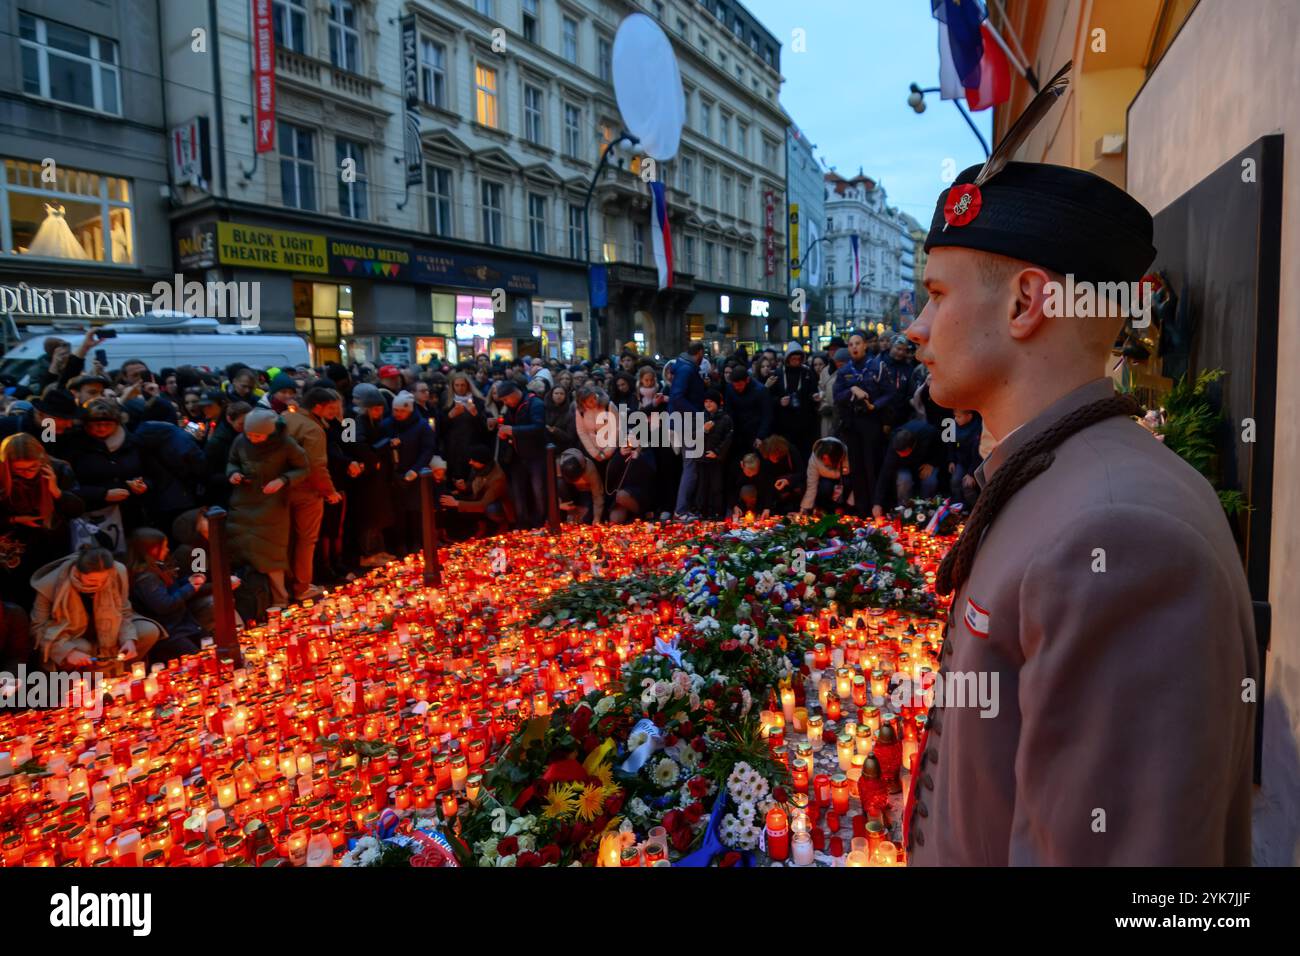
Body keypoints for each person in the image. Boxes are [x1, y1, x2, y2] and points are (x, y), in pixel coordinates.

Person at [903, 158, 1257, 865]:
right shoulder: (1059, 477)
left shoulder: (1116, 530)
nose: (917, 327)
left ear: (1025, 303)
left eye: (937, 295)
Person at [29, 545, 167, 670]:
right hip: (72, 635)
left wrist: (129, 639)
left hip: (110, 630)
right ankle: (93, 680)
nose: (99, 585)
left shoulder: (117, 572)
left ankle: (118, 673)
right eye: (92, 581)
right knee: (83, 648)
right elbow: (37, 627)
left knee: (148, 631)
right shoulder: (49, 584)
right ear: (77, 571)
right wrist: (67, 651)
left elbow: (124, 609)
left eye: (104, 580)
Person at [225, 408, 307, 606]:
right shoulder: (240, 441)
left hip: (272, 506)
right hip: (242, 504)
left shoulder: (286, 444)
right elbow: (232, 462)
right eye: (250, 435)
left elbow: (304, 468)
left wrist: (282, 480)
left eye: (258, 436)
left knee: (271, 556)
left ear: (270, 432)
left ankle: (280, 599)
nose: (253, 439)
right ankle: (254, 603)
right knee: (243, 552)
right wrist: (233, 474)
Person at [0, 433, 84, 609]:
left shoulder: (59, 469)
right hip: (14, 547)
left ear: (42, 460)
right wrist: (14, 519)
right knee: (18, 597)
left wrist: (56, 492)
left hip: (53, 542)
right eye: (20, 470)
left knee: (50, 596)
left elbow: (78, 509)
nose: (27, 474)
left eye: (32, 468)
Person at [65, 398, 152, 553]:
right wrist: (102, 494)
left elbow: (149, 473)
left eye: (107, 424)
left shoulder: (132, 443)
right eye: (96, 423)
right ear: (86, 423)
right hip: (91, 518)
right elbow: (68, 487)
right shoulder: (73, 445)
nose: (101, 428)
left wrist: (143, 484)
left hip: (129, 515)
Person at [282, 388, 343, 600]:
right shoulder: (312, 429)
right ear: (318, 406)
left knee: (287, 540)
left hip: (281, 487)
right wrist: (330, 491)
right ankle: (302, 586)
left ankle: (285, 587)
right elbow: (316, 466)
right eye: (331, 408)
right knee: (306, 540)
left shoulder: (285, 418)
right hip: (306, 491)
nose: (335, 412)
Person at [125, 527, 204, 659]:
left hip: (181, 624)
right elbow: (164, 605)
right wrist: (190, 588)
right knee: (198, 659)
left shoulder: (157, 566)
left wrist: (187, 581)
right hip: (170, 632)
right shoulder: (146, 578)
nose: (167, 550)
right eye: (164, 547)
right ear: (153, 550)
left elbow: (172, 588)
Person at [833, 331, 885, 517]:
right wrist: (852, 390)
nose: (854, 347)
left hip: (871, 420)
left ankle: (876, 507)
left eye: (857, 343)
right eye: (850, 344)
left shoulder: (877, 366)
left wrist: (875, 406)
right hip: (852, 422)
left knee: (872, 466)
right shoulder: (844, 371)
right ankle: (862, 510)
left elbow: (890, 393)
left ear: (865, 346)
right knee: (856, 467)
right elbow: (837, 397)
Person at [382, 390, 437, 555]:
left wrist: (416, 469)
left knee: (415, 511)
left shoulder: (421, 426)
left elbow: (427, 450)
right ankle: (399, 544)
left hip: (415, 475)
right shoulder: (387, 425)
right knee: (398, 512)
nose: (398, 414)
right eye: (396, 411)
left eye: (402, 411)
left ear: (410, 410)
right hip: (394, 476)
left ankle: (416, 543)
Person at [495, 381, 548, 529]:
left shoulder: (535, 403)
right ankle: (522, 524)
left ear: (513, 394)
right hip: (517, 457)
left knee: (539, 491)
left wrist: (512, 430)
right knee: (518, 492)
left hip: (536, 455)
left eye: (506, 399)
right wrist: (504, 433)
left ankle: (541, 524)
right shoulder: (509, 407)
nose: (505, 403)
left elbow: (538, 428)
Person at [439, 444, 512, 537]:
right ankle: (453, 533)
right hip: (477, 499)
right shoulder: (478, 468)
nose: (470, 462)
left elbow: (483, 505)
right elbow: (473, 486)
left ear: (482, 462)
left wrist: (457, 503)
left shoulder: (497, 478)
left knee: (490, 509)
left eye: (473, 460)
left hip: (493, 505)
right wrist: (465, 487)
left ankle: (496, 525)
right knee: (448, 498)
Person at [871, 420, 943, 514]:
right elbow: (885, 474)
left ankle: (926, 510)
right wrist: (877, 503)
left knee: (930, 481)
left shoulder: (928, 432)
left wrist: (932, 463)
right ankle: (904, 511)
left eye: (903, 453)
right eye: (898, 453)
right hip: (904, 466)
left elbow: (941, 448)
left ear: (911, 447)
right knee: (904, 480)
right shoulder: (894, 447)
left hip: (926, 462)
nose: (900, 455)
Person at [668, 343, 706, 515]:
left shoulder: (682, 367)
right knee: (690, 467)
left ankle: (683, 508)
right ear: (699, 353)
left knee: (689, 466)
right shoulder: (687, 370)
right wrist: (697, 413)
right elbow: (677, 397)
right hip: (687, 423)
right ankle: (681, 510)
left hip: (681, 422)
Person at [769, 344, 819, 462]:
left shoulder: (807, 372)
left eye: (798, 359)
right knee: (787, 453)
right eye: (793, 359)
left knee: (804, 453)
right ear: (787, 359)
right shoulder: (779, 373)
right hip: (784, 422)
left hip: (804, 421)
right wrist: (779, 401)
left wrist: (814, 396)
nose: (796, 362)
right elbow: (769, 396)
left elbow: (813, 391)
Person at [442, 372, 489, 484]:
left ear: (468, 385)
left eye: (463, 385)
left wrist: (475, 415)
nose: (460, 388)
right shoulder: (447, 402)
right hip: (453, 447)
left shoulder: (478, 401)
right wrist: (449, 416)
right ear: (452, 386)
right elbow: (440, 428)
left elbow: (485, 429)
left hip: (472, 445)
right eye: (457, 385)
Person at [694, 388, 732, 518]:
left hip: (716, 459)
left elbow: (728, 439)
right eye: (706, 401)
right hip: (701, 458)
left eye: (711, 401)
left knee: (716, 486)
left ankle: (716, 512)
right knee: (702, 487)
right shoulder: (699, 417)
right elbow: (692, 437)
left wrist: (717, 452)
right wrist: (703, 430)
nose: (708, 404)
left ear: (718, 403)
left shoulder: (725, 419)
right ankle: (701, 511)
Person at [800, 436, 851, 514]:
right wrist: (805, 508)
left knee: (847, 483)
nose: (825, 462)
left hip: (844, 482)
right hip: (825, 484)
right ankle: (823, 511)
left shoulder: (849, 456)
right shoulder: (815, 458)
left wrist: (850, 504)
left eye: (828, 460)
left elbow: (858, 481)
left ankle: (843, 511)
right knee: (826, 486)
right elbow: (812, 484)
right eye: (823, 459)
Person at [556, 447, 604, 524]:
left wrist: (597, 518)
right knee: (560, 483)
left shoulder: (590, 470)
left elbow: (597, 495)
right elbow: (550, 491)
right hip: (565, 495)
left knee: (585, 520)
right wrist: (559, 505)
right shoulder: (557, 465)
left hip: (585, 492)